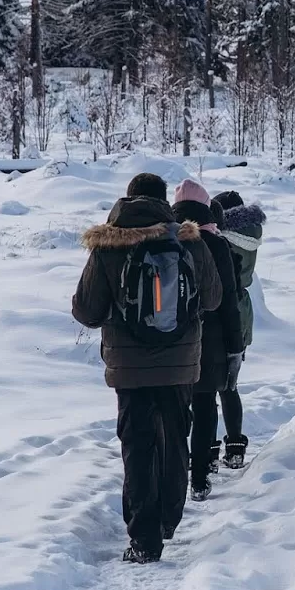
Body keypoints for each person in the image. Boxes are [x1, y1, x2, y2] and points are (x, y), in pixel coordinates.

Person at [72, 172, 221, 564]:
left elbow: (87, 312)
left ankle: (143, 539)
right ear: (164, 202)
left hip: (129, 368)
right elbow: (213, 299)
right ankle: (170, 519)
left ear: (127, 197)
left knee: (137, 448)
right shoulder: (187, 239)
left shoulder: (107, 243)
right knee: (174, 438)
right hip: (180, 364)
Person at [170, 180, 245, 503]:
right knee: (204, 408)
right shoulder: (215, 243)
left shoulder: (164, 238)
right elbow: (228, 299)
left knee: (174, 411)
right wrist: (235, 346)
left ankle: (174, 473)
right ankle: (199, 478)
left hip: (170, 339)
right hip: (210, 340)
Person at [212, 191, 265, 469]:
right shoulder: (250, 234)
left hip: (221, 311)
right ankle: (235, 446)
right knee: (230, 385)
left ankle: (208, 448)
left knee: (208, 386)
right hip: (242, 311)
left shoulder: (222, 239)